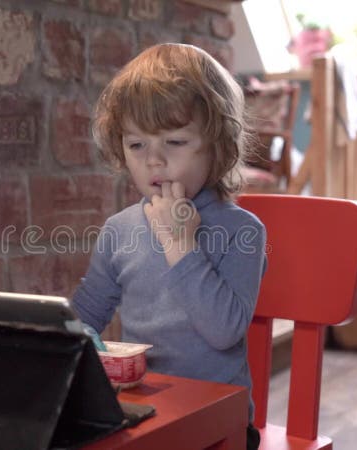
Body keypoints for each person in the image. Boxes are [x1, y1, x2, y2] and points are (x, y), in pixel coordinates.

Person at [71, 43, 266, 449]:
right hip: (144, 416)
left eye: (175, 142)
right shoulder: (119, 229)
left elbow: (224, 332)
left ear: (219, 145)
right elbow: (85, 317)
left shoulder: (242, 231)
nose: (153, 161)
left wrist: (180, 242)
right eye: (136, 145)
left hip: (218, 426)